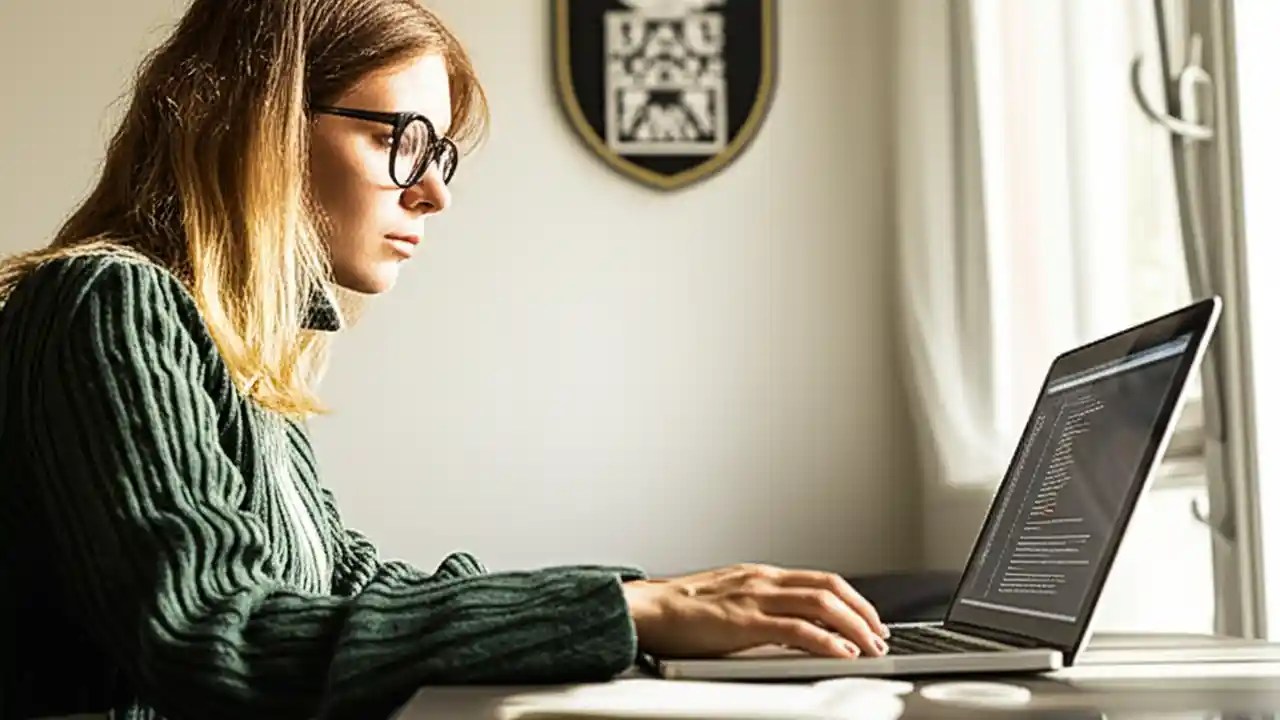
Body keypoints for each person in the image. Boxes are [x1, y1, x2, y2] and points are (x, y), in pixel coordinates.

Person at [0, 1, 890, 718]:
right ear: (259, 123)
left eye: (441, 154)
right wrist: (625, 611)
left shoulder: (239, 352)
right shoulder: (107, 301)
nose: (433, 193)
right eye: (402, 139)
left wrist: (655, 600)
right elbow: (214, 634)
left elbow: (351, 588)